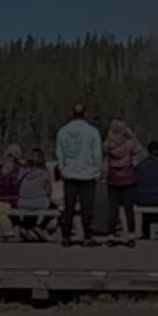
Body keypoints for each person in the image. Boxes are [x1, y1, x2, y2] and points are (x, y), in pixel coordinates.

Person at [55, 103, 103, 247]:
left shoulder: (63, 131)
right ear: (85, 114)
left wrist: (63, 168)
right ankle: (87, 235)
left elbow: (59, 153)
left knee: (68, 206)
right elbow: (97, 153)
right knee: (86, 207)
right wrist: (97, 170)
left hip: (69, 173)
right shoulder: (92, 131)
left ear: (71, 113)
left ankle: (66, 236)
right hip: (87, 174)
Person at [103, 119, 143, 247]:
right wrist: (132, 134)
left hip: (113, 179)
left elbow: (104, 152)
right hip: (128, 178)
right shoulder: (129, 144)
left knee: (112, 209)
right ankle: (131, 235)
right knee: (128, 209)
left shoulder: (109, 145)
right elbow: (139, 149)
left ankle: (110, 234)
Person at [16, 148, 55, 241]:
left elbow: (17, 184)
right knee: (52, 205)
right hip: (39, 202)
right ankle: (41, 227)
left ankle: (26, 227)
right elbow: (49, 191)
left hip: (22, 202)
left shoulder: (23, 171)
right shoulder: (45, 172)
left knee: (30, 206)